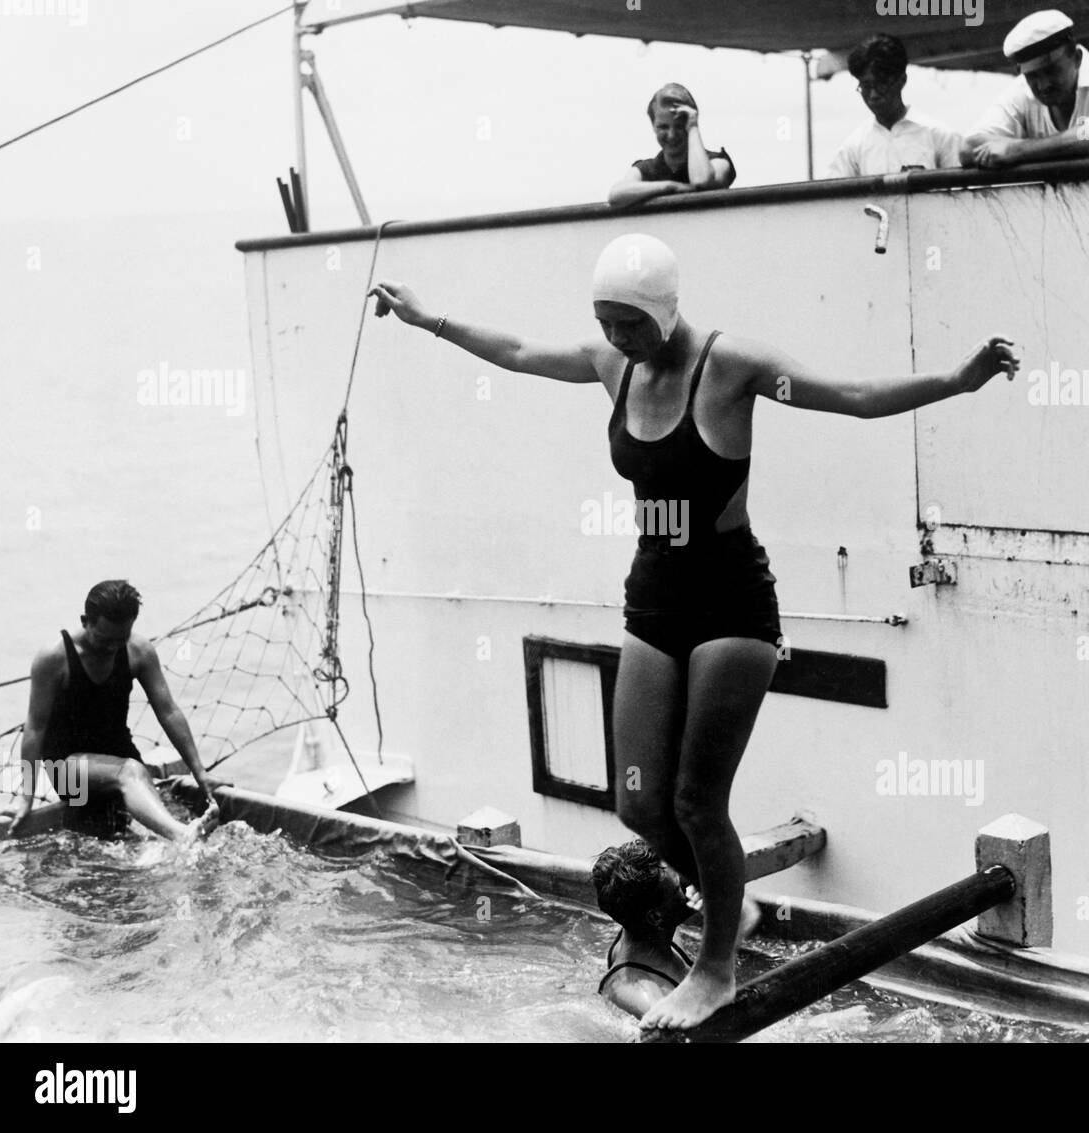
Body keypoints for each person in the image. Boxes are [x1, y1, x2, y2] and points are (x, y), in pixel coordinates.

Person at [368, 234, 1018, 1030]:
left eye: (628, 324)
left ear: (664, 311)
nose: (615, 339)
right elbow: (519, 351)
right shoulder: (615, 366)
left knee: (698, 800)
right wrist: (427, 319)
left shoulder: (731, 364)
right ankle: (728, 905)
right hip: (654, 599)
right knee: (639, 802)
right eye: (604, 323)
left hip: (731, 603)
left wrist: (959, 380)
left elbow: (847, 394)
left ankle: (715, 966)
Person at [5, 580, 220, 842]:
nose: (112, 648)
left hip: (120, 756)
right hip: (68, 770)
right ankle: (183, 836)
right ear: (86, 621)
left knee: (139, 798)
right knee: (131, 772)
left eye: (121, 639)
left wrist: (199, 772)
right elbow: (34, 729)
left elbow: (168, 712)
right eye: (105, 639)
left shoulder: (139, 651)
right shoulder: (53, 658)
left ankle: (175, 835)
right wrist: (26, 798)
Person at [961, 9, 1089, 169]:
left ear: (1077, 58)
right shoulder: (1020, 90)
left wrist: (1015, 150)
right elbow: (968, 147)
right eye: (1032, 76)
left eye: (1051, 70)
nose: (1043, 84)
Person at [827, 34, 961, 178]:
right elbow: (833, 196)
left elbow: (965, 195)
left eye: (881, 84)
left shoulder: (940, 137)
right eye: (865, 86)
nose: (873, 95)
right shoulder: (852, 149)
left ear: (902, 80)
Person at [592, 839, 696, 1019]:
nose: (690, 885)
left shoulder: (645, 927)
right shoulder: (645, 999)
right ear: (656, 917)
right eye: (679, 886)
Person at [608, 84, 736, 207]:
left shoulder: (718, 162)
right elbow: (615, 195)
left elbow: (701, 181)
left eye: (679, 126)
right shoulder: (647, 169)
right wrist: (670, 186)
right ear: (653, 126)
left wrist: (692, 126)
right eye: (663, 127)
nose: (671, 135)